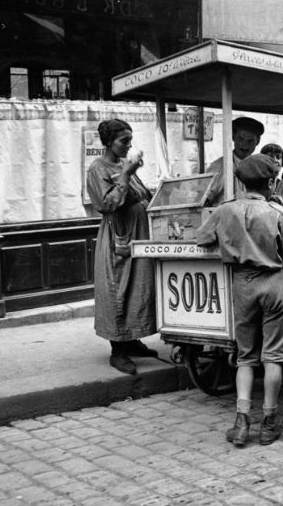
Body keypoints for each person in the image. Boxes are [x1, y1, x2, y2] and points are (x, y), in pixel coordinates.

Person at [196, 154, 283, 447]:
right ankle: (269, 422)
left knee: (245, 356)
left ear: (241, 182)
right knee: (274, 356)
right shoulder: (277, 213)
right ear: (270, 183)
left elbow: (202, 238)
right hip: (276, 285)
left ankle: (241, 422)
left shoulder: (224, 210)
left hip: (242, 284)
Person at [86, 119, 157, 375]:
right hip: (119, 237)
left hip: (138, 234)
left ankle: (132, 339)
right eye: (123, 141)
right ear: (108, 142)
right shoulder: (98, 168)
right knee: (119, 288)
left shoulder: (123, 164)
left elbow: (141, 195)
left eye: (130, 139)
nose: (129, 145)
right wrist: (126, 174)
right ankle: (118, 349)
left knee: (138, 287)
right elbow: (107, 204)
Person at [205, 116, 265, 205]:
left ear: (257, 141)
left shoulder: (259, 167)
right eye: (241, 139)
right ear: (233, 137)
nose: (245, 145)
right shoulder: (220, 166)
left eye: (250, 141)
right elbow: (205, 199)